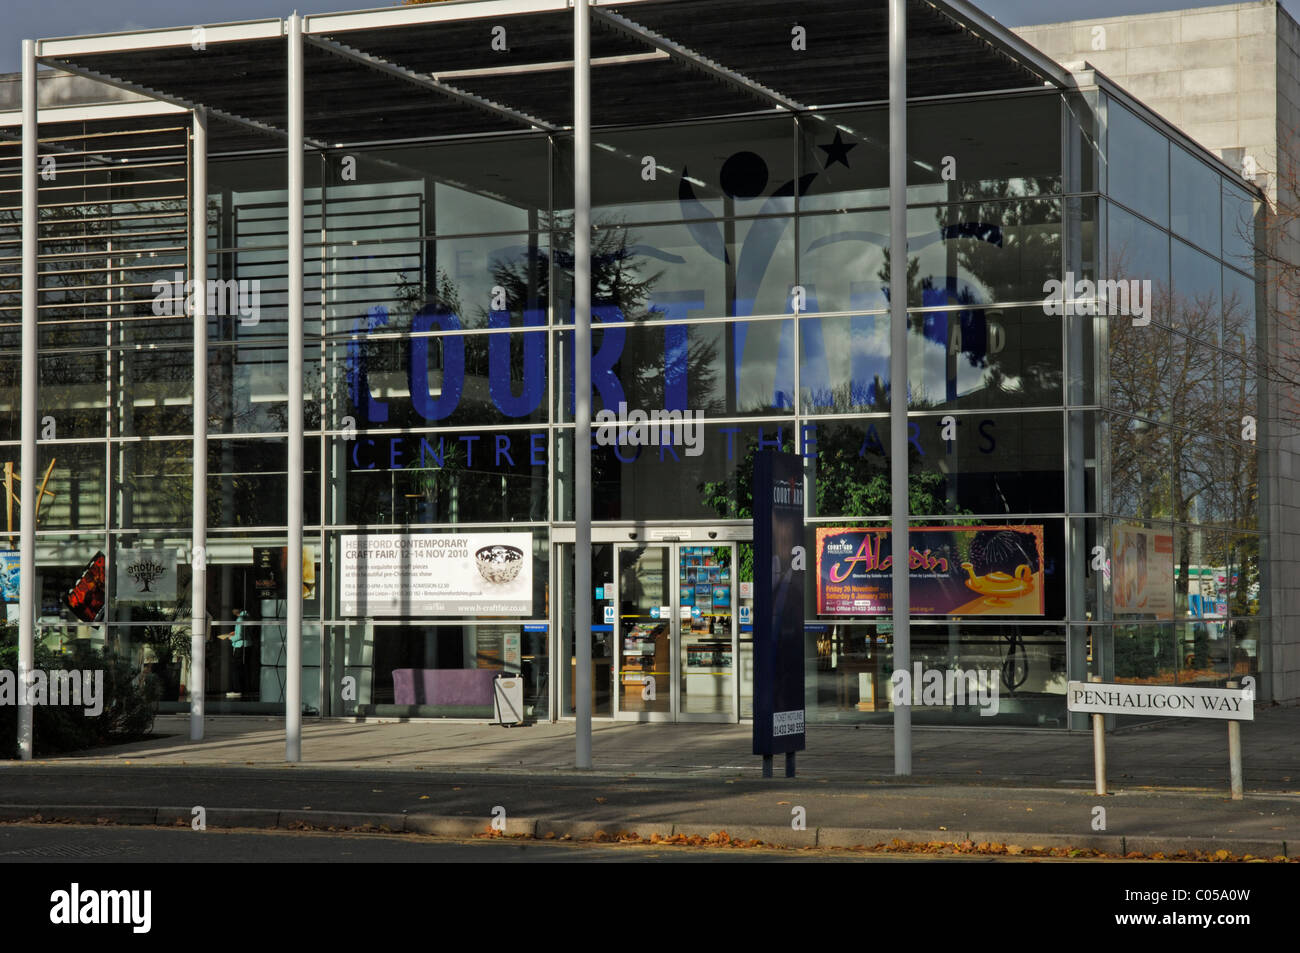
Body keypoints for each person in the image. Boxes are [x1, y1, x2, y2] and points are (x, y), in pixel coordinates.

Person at [217, 609, 251, 698]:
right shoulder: (247, 617)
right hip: (246, 645)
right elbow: (243, 632)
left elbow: (240, 636)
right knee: (243, 668)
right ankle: (243, 689)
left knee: (236, 668)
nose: (232, 611)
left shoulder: (240, 619)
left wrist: (230, 637)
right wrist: (234, 633)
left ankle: (237, 690)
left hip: (240, 646)